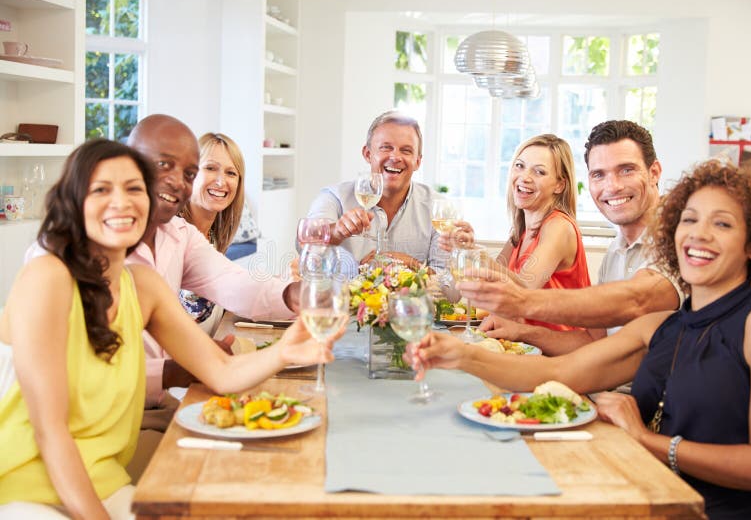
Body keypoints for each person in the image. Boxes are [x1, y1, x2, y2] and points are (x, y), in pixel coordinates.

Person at [412, 159, 751, 519]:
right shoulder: (664, 326)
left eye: (723, 224)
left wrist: (646, 440)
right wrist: (458, 354)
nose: (699, 233)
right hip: (637, 495)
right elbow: (560, 371)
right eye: (689, 219)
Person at [0, 139, 336, 519]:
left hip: (103, 483)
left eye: (133, 189)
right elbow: (50, 431)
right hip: (28, 491)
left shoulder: (141, 285)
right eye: (101, 190)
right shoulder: (47, 277)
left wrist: (285, 351)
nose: (121, 202)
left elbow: (221, 371)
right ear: (73, 203)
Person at [464, 120, 681, 355]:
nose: (613, 186)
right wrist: (519, 332)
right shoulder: (616, 250)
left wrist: (523, 300)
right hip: (607, 381)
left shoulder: (679, 236)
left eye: (626, 170)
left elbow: (637, 301)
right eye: (599, 174)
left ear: (654, 173)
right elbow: (593, 341)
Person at [451, 134, 591, 332]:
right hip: (524, 344)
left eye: (539, 172)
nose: (524, 177)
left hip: (557, 352)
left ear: (560, 185)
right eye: (520, 166)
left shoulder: (559, 227)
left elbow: (525, 291)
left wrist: (476, 256)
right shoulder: (521, 230)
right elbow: (489, 279)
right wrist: (466, 247)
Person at [306, 110, 449, 271]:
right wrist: (337, 231)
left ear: (417, 161)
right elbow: (306, 244)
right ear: (368, 154)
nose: (395, 157)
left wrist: (411, 265)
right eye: (386, 148)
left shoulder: (438, 208)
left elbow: (449, 284)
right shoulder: (334, 198)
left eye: (406, 150)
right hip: (344, 296)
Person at [178, 132, 246, 335]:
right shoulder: (175, 233)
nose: (220, 181)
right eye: (210, 168)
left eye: (231, 173)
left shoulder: (214, 237)